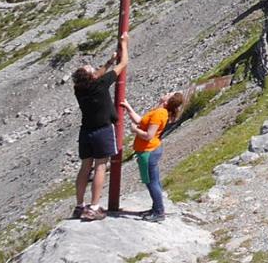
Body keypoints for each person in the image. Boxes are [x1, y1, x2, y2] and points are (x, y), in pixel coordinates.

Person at [71, 40, 127, 221]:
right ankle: (94, 208)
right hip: (102, 130)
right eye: (90, 69)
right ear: (91, 76)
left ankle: (79, 206)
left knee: (85, 168)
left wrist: (108, 62)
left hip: (85, 132)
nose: (93, 69)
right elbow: (124, 63)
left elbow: (95, 74)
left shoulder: (79, 89)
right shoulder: (101, 84)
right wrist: (125, 44)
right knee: (100, 167)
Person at [129, 90, 187, 221]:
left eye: (169, 94)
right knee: (153, 181)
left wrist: (135, 130)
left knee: (151, 182)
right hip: (151, 150)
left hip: (148, 151)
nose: (166, 93)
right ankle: (156, 208)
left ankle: (159, 212)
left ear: (166, 102)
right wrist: (128, 107)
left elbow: (149, 135)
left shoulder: (159, 113)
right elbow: (141, 120)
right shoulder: (160, 111)